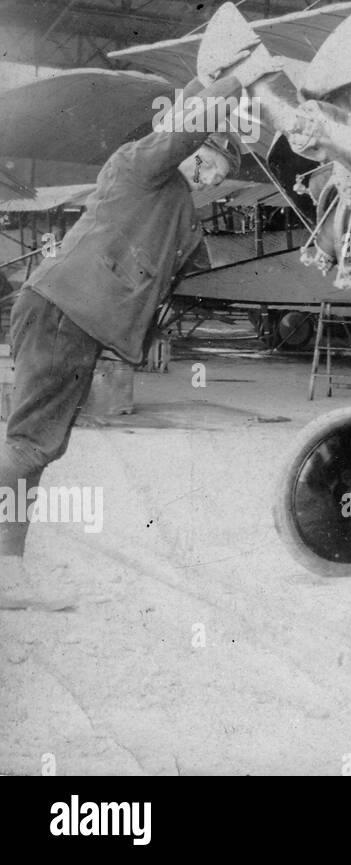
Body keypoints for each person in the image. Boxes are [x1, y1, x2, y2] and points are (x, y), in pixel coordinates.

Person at [0, 58, 264, 611]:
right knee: (30, 443)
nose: (216, 177)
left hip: (72, 319)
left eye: (220, 171)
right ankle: (7, 577)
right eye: (213, 160)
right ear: (192, 144)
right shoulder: (141, 167)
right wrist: (239, 78)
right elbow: (182, 125)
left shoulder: (174, 207)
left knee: (35, 444)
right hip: (62, 312)